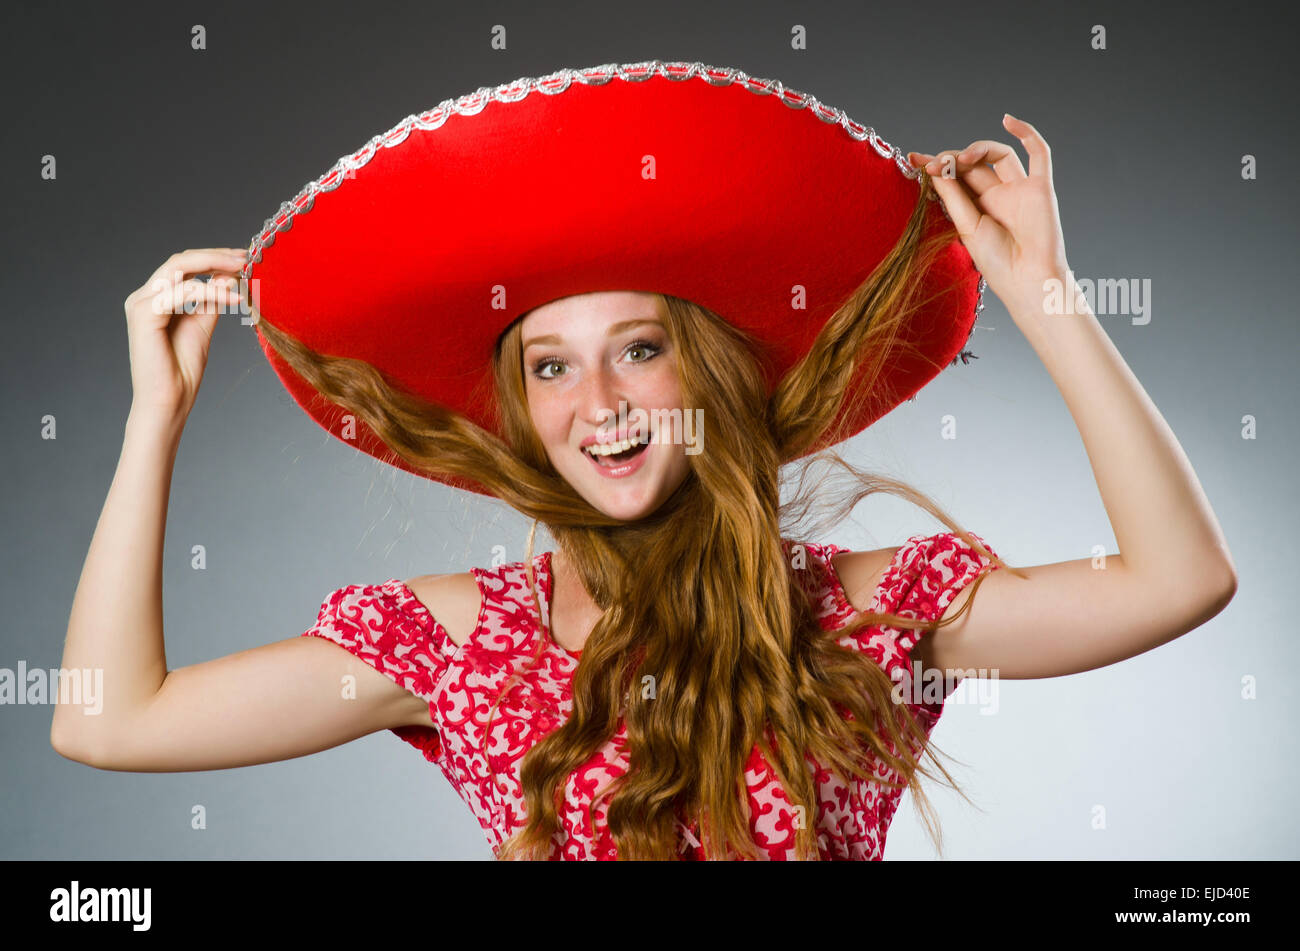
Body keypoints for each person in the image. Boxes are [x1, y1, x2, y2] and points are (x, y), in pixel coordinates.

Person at [52, 65, 1237, 860]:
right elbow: (111, 724)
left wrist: (1047, 299)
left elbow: (1177, 580)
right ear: (520, 409)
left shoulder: (868, 614)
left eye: (638, 349)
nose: (601, 404)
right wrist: (153, 424)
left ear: (707, 376)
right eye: (551, 368)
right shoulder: (457, 647)